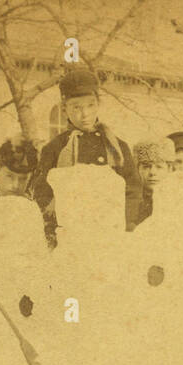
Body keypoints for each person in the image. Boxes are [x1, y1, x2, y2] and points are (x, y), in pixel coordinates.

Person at [27, 67, 143, 246]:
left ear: (98, 104)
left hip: (110, 233)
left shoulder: (117, 147)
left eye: (90, 105)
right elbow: (42, 192)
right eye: (76, 107)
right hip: (70, 235)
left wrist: (126, 225)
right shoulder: (55, 149)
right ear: (64, 109)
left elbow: (132, 188)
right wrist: (53, 229)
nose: (85, 114)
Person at [129, 139, 173, 231]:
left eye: (159, 167)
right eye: (146, 166)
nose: (152, 172)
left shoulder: (179, 203)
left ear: (169, 169)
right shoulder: (129, 204)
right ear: (137, 169)